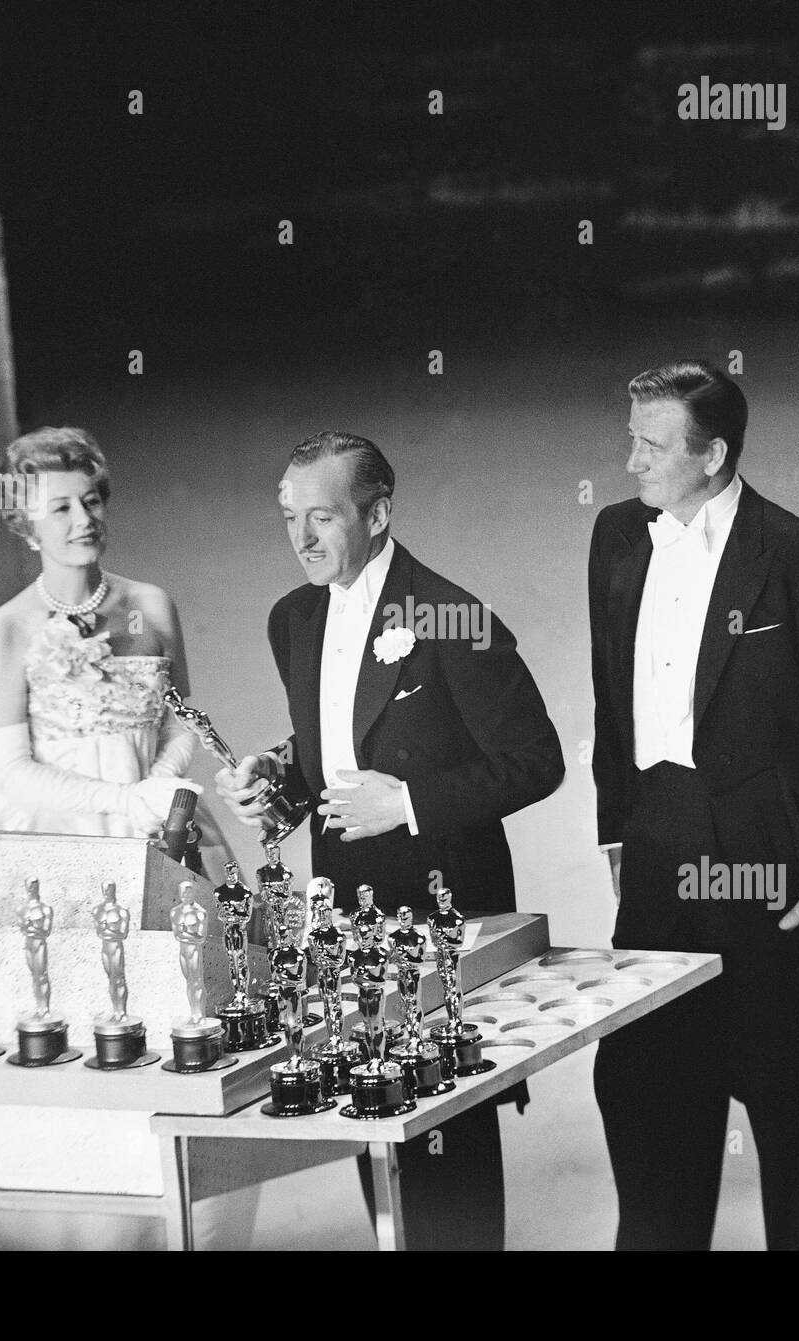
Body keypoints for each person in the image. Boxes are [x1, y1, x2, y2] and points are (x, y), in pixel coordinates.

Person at [215, 429, 564, 1251]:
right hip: (346, 916)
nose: (301, 538)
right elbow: (334, 745)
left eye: (323, 517)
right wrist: (279, 783)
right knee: (367, 1109)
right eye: (290, 517)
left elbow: (536, 762)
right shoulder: (293, 616)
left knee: (452, 1138)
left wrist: (409, 802)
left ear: (378, 514)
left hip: (443, 914)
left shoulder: (452, 616)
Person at [588, 360, 799, 1251]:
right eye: (631, 437)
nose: (631, 458)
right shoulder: (614, 537)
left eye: (651, 442)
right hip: (656, 848)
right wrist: (616, 821)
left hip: (778, 867)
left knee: (790, 1123)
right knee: (646, 1098)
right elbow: (610, 690)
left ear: (713, 453)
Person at [0, 426, 231, 856]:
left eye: (91, 502)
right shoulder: (6, 627)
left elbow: (180, 718)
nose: (83, 521)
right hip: (44, 834)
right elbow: (9, 767)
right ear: (27, 528)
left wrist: (158, 790)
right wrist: (126, 801)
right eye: (60, 509)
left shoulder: (150, 604)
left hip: (154, 822)